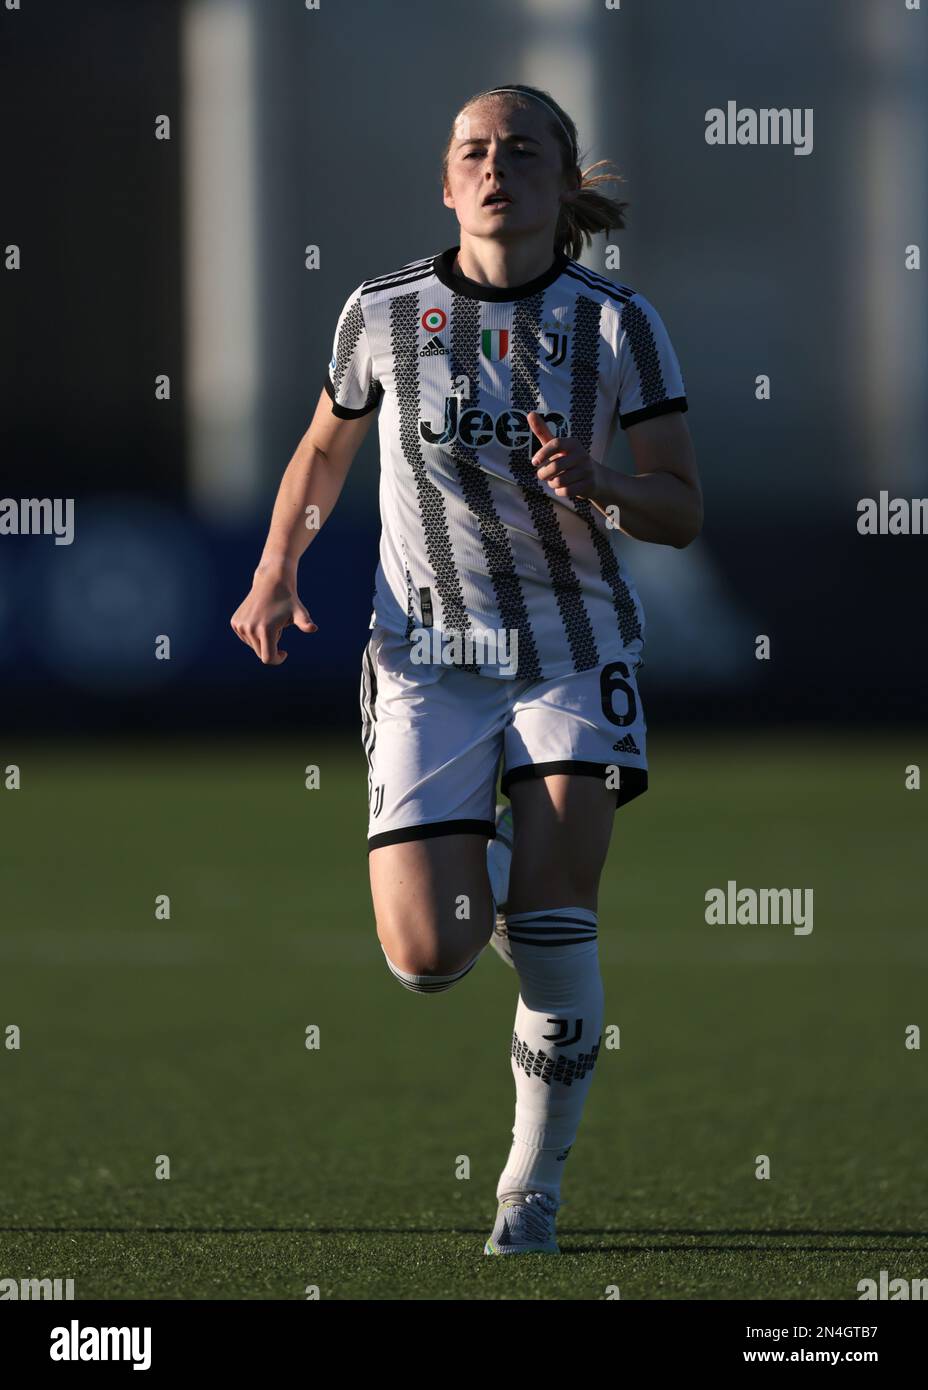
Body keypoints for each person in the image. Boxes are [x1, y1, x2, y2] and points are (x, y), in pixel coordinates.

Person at [231, 82, 703, 1256]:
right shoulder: (381, 311)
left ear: (562, 178)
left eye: (525, 153)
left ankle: (527, 1192)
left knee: (556, 920)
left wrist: (605, 488)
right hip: (427, 657)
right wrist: (276, 564)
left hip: (572, 647)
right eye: (476, 152)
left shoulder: (617, 324)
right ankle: (489, 873)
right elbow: (322, 447)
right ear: (447, 183)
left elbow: (682, 507)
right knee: (430, 954)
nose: (499, 169)